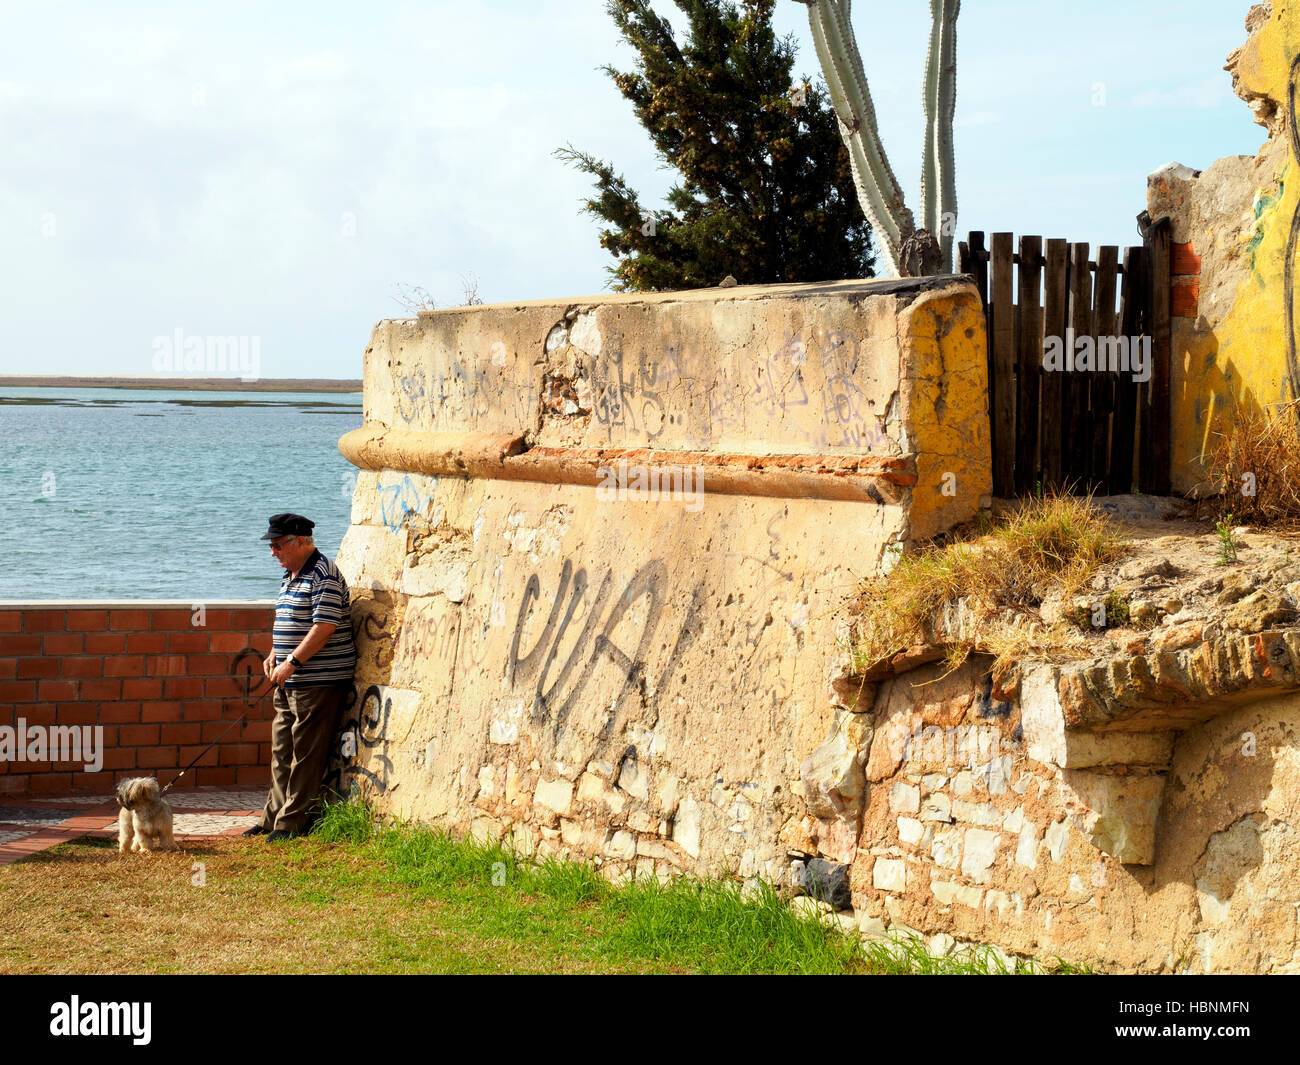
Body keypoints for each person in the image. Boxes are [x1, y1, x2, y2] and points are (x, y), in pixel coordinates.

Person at [244, 513, 357, 841]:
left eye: (278, 545)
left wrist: (292, 661)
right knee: (281, 750)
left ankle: (292, 824)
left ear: (302, 542)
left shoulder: (323, 574)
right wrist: (274, 654)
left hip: (317, 681)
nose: (273, 552)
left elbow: (324, 627)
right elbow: (290, 621)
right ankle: (272, 818)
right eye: (272, 545)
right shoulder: (290, 574)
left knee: (305, 753)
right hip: (288, 678)